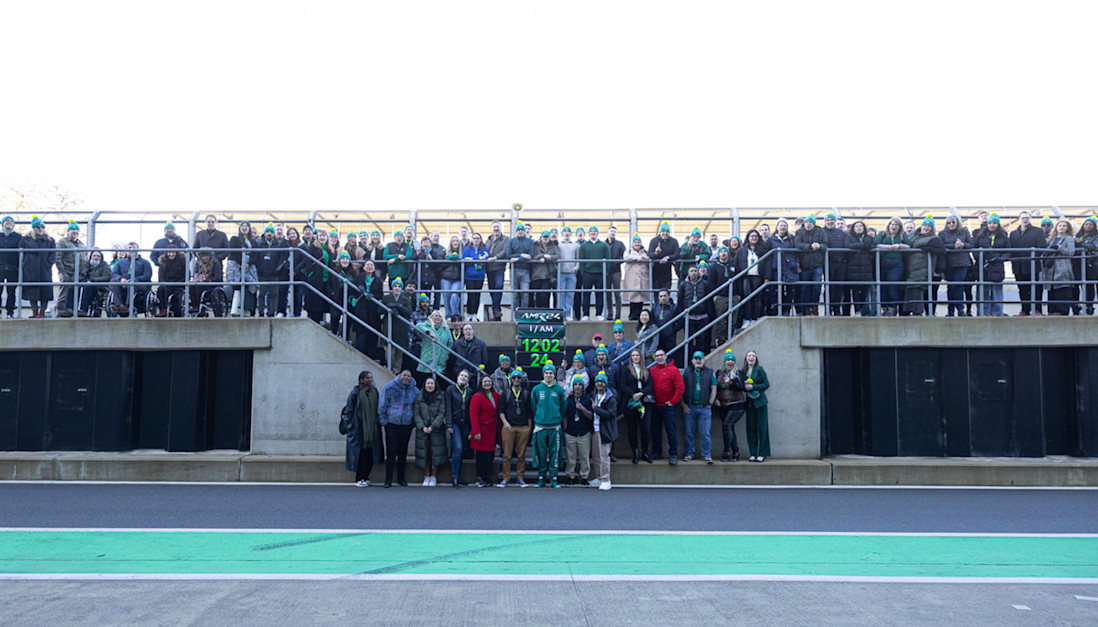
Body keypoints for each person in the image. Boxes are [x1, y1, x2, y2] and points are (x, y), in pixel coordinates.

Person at [378, 370, 419, 488]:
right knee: (391, 452)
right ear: (400, 376)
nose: (406, 378)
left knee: (403, 452)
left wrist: (413, 422)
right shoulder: (389, 387)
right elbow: (383, 405)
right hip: (392, 424)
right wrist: (384, 421)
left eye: (409, 376)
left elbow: (416, 407)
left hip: (406, 425)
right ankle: (388, 479)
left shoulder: (415, 390)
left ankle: (401, 478)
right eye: (404, 375)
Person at [530, 364, 567, 488]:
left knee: (554, 453)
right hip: (540, 425)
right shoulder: (536, 389)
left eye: (551, 373)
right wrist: (541, 417)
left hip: (555, 426)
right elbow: (534, 407)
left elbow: (563, 407)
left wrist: (556, 417)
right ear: (543, 374)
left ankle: (554, 478)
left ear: (554, 375)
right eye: (546, 373)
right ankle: (541, 478)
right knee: (541, 453)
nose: (548, 375)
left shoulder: (560, 389)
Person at [342, 370, 380, 487]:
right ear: (361, 380)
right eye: (367, 378)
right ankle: (359, 478)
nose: (370, 379)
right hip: (359, 429)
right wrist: (349, 426)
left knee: (369, 454)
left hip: (372, 429)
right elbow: (348, 411)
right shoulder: (355, 393)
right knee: (360, 454)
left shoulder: (374, 391)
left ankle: (366, 476)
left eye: (371, 377)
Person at [902, 217, 945, 316]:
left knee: (917, 288)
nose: (926, 228)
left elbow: (942, 250)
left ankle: (917, 312)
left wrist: (928, 249)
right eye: (925, 225)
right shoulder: (913, 234)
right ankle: (908, 312)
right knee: (909, 289)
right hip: (910, 266)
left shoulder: (932, 238)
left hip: (922, 267)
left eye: (929, 226)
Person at [680, 351, 716, 463]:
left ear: (703, 360)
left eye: (700, 358)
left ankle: (706, 455)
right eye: (696, 358)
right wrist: (683, 405)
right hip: (690, 408)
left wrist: (710, 403)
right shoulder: (687, 372)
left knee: (705, 433)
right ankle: (689, 454)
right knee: (689, 433)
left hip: (704, 407)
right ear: (693, 360)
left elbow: (714, 388)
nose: (698, 361)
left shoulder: (710, 372)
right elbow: (680, 389)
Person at [651, 348, 685, 465]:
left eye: (661, 355)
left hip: (668, 406)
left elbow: (680, 388)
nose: (659, 357)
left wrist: (673, 401)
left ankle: (673, 453)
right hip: (655, 406)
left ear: (666, 356)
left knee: (671, 430)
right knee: (655, 431)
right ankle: (657, 452)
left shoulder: (673, 370)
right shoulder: (652, 370)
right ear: (655, 358)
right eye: (657, 356)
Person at [412, 376, 448, 486]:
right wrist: (422, 426)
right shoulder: (419, 396)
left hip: (436, 430)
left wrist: (433, 426)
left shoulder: (440, 396)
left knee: (435, 454)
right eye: (428, 383)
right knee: (425, 454)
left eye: (432, 384)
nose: (430, 386)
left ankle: (433, 475)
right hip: (422, 430)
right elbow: (416, 413)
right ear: (425, 385)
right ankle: (426, 475)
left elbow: (442, 413)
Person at [1010, 211, 1047, 316]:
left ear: (1030, 219)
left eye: (1027, 217)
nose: (1025, 220)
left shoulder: (1038, 231)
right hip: (1018, 266)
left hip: (1033, 265)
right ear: (1019, 219)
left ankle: (1037, 309)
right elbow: (1011, 248)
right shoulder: (1013, 233)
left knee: (1036, 288)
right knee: (1022, 289)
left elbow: (1041, 246)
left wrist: (1033, 257)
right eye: (1023, 218)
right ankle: (1025, 309)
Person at [619, 348, 653, 463]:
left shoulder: (646, 370)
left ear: (640, 357)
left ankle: (645, 452)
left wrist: (641, 394)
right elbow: (622, 385)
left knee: (646, 430)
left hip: (644, 404)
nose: (635, 357)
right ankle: (635, 453)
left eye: (637, 355)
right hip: (630, 404)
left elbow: (650, 385)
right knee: (632, 430)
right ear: (630, 358)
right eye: (633, 356)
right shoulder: (626, 370)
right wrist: (633, 394)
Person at [499, 369, 532, 487]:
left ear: (521, 380)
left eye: (518, 378)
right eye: (514, 378)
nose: (516, 380)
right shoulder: (506, 393)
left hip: (523, 427)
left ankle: (520, 477)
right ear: (511, 380)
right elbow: (501, 410)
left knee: (521, 455)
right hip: (509, 427)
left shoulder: (526, 393)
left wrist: (529, 428)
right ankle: (506, 478)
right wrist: (505, 423)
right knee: (507, 455)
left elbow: (529, 412)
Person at [20, 216, 56, 318]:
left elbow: (53, 255)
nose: (40, 229)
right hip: (30, 269)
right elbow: (20, 254)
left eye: (42, 227)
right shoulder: (25, 240)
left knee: (45, 291)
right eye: (38, 227)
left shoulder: (49, 240)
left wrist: (48, 264)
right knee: (32, 291)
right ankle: (34, 312)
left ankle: (42, 312)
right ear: (33, 228)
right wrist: (25, 265)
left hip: (44, 269)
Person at [469, 373, 501, 487]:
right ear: (481, 384)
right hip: (481, 430)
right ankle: (480, 477)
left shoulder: (496, 395)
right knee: (481, 455)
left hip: (492, 429)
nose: (487, 383)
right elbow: (473, 415)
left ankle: (488, 477)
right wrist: (476, 431)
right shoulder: (477, 396)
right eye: (485, 382)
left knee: (490, 454)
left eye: (489, 381)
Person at [938, 216, 973, 317]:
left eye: (953, 222)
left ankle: (960, 309)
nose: (951, 224)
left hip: (962, 263)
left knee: (959, 285)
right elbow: (940, 246)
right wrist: (953, 246)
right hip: (949, 264)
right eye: (948, 223)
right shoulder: (942, 233)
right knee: (951, 287)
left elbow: (971, 244)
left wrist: (962, 244)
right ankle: (951, 310)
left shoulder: (964, 231)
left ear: (957, 222)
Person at [975, 214, 1010, 316]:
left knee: (997, 289)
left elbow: (1008, 250)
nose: (992, 225)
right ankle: (984, 312)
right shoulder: (980, 235)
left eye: (994, 223)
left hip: (997, 266)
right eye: (990, 223)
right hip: (983, 265)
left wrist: (1001, 259)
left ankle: (997, 312)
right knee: (983, 289)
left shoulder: (1003, 235)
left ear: (998, 224)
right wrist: (980, 258)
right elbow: (975, 248)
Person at [734, 229, 769, 328]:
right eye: (752, 236)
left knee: (757, 298)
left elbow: (767, 264)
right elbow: (737, 264)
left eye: (756, 236)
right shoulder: (742, 250)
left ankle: (754, 318)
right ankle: (747, 319)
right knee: (747, 297)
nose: (754, 238)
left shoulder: (763, 249)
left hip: (758, 276)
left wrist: (767, 277)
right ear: (748, 238)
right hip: (746, 277)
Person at [715, 350, 746, 462]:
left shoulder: (738, 373)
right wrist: (715, 399)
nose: (730, 362)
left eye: (732, 360)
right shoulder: (719, 373)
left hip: (737, 405)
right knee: (729, 428)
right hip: (723, 406)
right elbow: (714, 388)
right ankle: (736, 452)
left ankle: (727, 452)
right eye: (728, 360)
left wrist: (731, 382)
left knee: (727, 425)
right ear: (724, 362)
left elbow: (742, 387)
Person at [563, 375, 594, 486]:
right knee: (571, 456)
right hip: (571, 432)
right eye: (575, 384)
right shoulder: (569, 400)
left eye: (580, 385)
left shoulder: (587, 400)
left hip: (584, 432)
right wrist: (566, 428)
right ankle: (570, 476)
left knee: (584, 456)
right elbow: (565, 415)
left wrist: (582, 408)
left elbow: (591, 416)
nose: (577, 387)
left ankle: (584, 476)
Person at [875, 217, 909, 316]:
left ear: (899, 227)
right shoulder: (882, 234)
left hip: (896, 264)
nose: (894, 227)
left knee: (893, 286)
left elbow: (908, 246)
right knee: (882, 287)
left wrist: (900, 245)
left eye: (896, 225)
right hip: (882, 263)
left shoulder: (902, 235)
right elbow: (876, 244)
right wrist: (890, 247)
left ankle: (892, 308)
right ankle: (884, 308)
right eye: (892, 224)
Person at [590, 371, 618, 491]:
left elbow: (610, 414)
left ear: (605, 383)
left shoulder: (610, 398)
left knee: (604, 456)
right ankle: (599, 477)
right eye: (598, 382)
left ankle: (606, 479)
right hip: (595, 429)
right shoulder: (593, 395)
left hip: (605, 430)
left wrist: (597, 409)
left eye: (602, 382)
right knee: (596, 456)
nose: (599, 384)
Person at [794, 215, 827, 316]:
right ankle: (807, 308)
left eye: (810, 222)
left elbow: (825, 244)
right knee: (805, 287)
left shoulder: (820, 231)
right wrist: (810, 246)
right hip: (804, 265)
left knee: (817, 286)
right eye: (807, 222)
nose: (808, 224)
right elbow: (797, 244)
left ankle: (814, 306)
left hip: (817, 264)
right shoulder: (799, 232)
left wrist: (820, 246)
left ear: (814, 223)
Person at [444, 369, 473, 487]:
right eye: (461, 375)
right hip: (455, 423)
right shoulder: (450, 389)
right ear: (457, 377)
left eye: (466, 376)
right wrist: (449, 425)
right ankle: (454, 477)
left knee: (463, 449)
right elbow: (448, 407)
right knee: (458, 448)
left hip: (466, 423)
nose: (463, 377)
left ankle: (459, 476)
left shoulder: (470, 391)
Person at [1043, 219, 1076, 315]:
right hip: (1050, 269)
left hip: (1063, 268)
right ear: (1056, 227)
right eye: (1060, 225)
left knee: (1062, 290)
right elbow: (1045, 251)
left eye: (1064, 226)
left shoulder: (1068, 238)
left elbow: (1071, 252)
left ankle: (1061, 311)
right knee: (1052, 291)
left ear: (1067, 228)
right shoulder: (1051, 238)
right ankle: (1052, 311)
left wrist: (1059, 248)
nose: (1061, 227)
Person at [109, 242, 153, 316]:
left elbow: (147, 275)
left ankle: (128, 305)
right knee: (113, 281)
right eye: (129, 248)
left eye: (134, 248)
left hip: (139, 284)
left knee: (132, 282)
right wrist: (121, 279)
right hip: (123, 282)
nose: (131, 250)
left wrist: (132, 280)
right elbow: (114, 273)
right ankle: (118, 305)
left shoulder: (145, 262)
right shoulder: (120, 262)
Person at [677, 264, 712, 356]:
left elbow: (709, 299)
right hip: (689, 317)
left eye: (695, 271)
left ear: (698, 272)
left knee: (701, 340)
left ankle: (701, 359)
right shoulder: (683, 284)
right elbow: (680, 300)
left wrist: (709, 314)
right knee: (688, 341)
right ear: (688, 273)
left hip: (702, 316)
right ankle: (689, 361)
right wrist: (681, 314)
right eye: (691, 271)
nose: (693, 273)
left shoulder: (705, 283)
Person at [742, 350, 770, 462]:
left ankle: (763, 453)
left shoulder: (760, 369)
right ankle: (753, 453)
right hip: (749, 403)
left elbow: (766, 384)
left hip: (760, 403)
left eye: (753, 356)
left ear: (756, 358)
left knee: (762, 428)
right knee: (751, 428)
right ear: (746, 358)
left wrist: (753, 387)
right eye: (749, 356)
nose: (751, 358)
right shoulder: (743, 371)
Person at [54, 220, 87, 317]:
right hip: (67, 272)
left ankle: (71, 311)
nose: (75, 232)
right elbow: (58, 258)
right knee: (64, 293)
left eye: (77, 230)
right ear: (68, 231)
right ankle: (60, 311)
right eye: (72, 230)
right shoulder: (62, 242)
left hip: (79, 273)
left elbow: (85, 258)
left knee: (75, 293)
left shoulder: (81, 244)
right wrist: (63, 273)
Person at [767, 218, 799, 316]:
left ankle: (786, 310)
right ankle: (778, 310)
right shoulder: (771, 240)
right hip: (777, 268)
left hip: (790, 268)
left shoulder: (791, 239)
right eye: (781, 225)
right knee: (778, 290)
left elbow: (797, 252)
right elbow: (768, 256)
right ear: (777, 227)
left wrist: (796, 263)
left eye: (784, 225)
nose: (782, 227)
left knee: (790, 291)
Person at [578, 225, 610, 320]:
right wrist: (582, 272)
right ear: (589, 233)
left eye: (594, 231)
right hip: (587, 273)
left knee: (599, 294)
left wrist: (606, 272)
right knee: (586, 294)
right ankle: (586, 315)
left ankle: (598, 314)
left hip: (600, 273)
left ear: (597, 233)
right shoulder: (584, 246)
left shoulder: (604, 245)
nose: (593, 233)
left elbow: (607, 259)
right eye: (591, 231)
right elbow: (581, 260)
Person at [843, 221, 876, 316]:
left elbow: (871, 247)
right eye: (856, 226)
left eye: (860, 226)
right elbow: (847, 246)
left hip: (866, 268)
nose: (858, 228)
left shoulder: (868, 237)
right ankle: (857, 310)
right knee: (855, 290)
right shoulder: (849, 237)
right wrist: (863, 246)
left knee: (865, 291)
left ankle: (860, 308)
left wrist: (862, 248)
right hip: (853, 268)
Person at [227, 222, 258, 317]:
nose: (244, 228)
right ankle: (235, 309)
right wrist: (241, 264)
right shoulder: (234, 239)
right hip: (236, 267)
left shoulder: (253, 241)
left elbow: (256, 254)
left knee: (251, 287)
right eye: (242, 226)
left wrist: (248, 264)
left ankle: (248, 310)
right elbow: (232, 252)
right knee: (237, 287)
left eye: (246, 226)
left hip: (249, 267)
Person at [416, 310, 453, 388]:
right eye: (436, 316)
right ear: (431, 317)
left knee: (438, 385)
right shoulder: (427, 325)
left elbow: (450, 342)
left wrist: (445, 353)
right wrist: (429, 333)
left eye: (440, 316)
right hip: (427, 359)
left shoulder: (446, 329)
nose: (438, 318)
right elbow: (418, 326)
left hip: (440, 359)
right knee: (425, 384)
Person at [255, 223, 286, 317]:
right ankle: (261, 312)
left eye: (271, 232)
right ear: (264, 233)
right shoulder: (260, 244)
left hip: (274, 274)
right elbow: (256, 257)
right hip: (262, 273)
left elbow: (281, 258)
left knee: (274, 294)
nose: (269, 233)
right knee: (261, 294)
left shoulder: (278, 244)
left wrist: (277, 269)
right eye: (267, 232)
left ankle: (272, 312)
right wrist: (259, 268)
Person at [382, 278, 413, 371]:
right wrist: (388, 308)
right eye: (395, 286)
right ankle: (389, 369)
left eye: (399, 286)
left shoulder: (405, 299)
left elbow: (409, 312)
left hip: (401, 330)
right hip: (389, 328)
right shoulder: (386, 298)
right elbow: (379, 310)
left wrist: (398, 307)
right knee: (389, 352)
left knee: (399, 354)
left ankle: (396, 371)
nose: (397, 288)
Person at [822, 213, 850, 315]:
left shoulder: (841, 232)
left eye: (831, 220)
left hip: (841, 263)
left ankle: (837, 309)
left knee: (839, 287)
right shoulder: (822, 231)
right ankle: (828, 309)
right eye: (828, 220)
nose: (830, 222)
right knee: (828, 286)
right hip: (828, 262)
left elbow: (846, 245)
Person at [506, 223, 535, 311]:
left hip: (525, 270)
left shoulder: (529, 241)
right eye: (518, 230)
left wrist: (517, 258)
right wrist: (522, 256)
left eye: (522, 230)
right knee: (515, 293)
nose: (520, 231)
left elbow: (531, 255)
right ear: (516, 231)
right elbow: (508, 255)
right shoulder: (511, 241)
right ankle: (516, 313)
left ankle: (523, 312)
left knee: (525, 292)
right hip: (514, 270)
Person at [485, 221, 509, 321]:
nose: (496, 229)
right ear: (491, 229)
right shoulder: (488, 240)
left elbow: (505, 251)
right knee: (492, 290)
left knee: (499, 286)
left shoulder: (506, 239)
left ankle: (495, 309)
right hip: (489, 268)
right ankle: (496, 312)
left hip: (499, 267)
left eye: (497, 227)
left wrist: (495, 257)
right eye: (494, 227)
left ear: (500, 228)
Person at [622, 234, 651, 320]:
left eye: (638, 242)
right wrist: (638, 258)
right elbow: (626, 257)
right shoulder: (628, 251)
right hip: (632, 279)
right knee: (633, 298)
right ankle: (632, 316)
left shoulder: (645, 252)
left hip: (643, 278)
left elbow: (650, 262)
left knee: (641, 298)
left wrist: (645, 259)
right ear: (632, 243)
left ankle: (639, 316)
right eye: (635, 242)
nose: (637, 244)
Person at [648, 222, 680, 296]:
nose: (665, 233)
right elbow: (650, 254)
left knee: (667, 292)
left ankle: (666, 307)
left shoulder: (674, 241)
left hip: (667, 271)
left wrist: (668, 258)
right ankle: (656, 307)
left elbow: (677, 254)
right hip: (655, 271)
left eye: (667, 231)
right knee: (656, 293)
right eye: (663, 231)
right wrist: (656, 253)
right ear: (660, 232)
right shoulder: (654, 241)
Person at [77, 249, 112, 316]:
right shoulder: (86, 265)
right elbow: (80, 276)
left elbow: (107, 277)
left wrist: (93, 280)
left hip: (99, 286)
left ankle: (84, 310)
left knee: (88, 287)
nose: (96, 257)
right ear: (91, 257)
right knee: (71, 288)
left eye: (98, 256)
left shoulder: (105, 266)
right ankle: (69, 309)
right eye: (94, 256)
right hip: (85, 283)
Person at [529, 230, 559, 309]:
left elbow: (557, 256)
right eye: (544, 237)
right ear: (541, 237)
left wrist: (546, 259)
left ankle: (545, 312)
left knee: (545, 294)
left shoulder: (554, 246)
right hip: (537, 274)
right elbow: (533, 257)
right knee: (537, 295)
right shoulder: (536, 247)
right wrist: (544, 255)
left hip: (548, 274)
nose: (545, 238)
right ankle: (537, 313)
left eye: (547, 237)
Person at [189, 248, 224, 314]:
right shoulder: (198, 264)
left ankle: (200, 306)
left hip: (212, 285)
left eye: (207, 256)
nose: (205, 258)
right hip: (200, 283)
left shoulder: (216, 263)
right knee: (191, 286)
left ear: (210, 256)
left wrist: (208, 280)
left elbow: (217, 277)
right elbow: (195, 274)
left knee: (199, 287)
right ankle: (195, 305)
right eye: (203, 256)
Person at [0, 215, 22, 318]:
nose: (9, 223)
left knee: (11, 291)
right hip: (0, 267)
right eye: (7, 221)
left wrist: (19, 266)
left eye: (11, 221)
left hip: (13, 268)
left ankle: (10, 312)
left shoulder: (18, 237)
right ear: (2, 224)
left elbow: (21, 253)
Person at [439, 236, 464, 319]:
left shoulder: (462, 253)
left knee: (454, 295)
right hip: (446, 278)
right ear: (451, 243)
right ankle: (448, 315)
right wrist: (449, 260)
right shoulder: (445, 252)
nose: (455, 242)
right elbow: (441, 265)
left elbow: (463, 267)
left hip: (457, 279)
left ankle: (455, 315)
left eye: (457, 241)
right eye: (453, 241)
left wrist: (457, 260)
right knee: (446, 295)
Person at [605, 225, 626, 321]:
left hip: (616, 271)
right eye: (611, 231)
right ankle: (609, 314)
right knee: (607, 294)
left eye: (614, 231)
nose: (613, 233)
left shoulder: (620, 244)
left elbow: (624, 256)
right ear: (608, 232)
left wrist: (617, 262)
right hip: (606, 272)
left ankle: (618, 315)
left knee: (617, 293)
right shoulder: (603, 244)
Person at [1078, 217, 1098, 315]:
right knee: (1083, 286)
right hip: (1080, 264)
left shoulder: (1096, 236)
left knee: (1090, 285)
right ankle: (1081, 306)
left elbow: (1095, 246)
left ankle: (1090, 307)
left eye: (1091, 224)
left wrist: (1081, 244)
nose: (1088, 226)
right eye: (1086, 224)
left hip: (1092, 264)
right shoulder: (1079, 235)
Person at [652, 289, 680, 358]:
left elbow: (681, 322)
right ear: (658, 298)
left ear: (669, 296)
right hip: (658, 338)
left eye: (665, 296)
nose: (663, 298)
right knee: (659, 357)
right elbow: (651, 321)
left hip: (670, 338)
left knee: (671, 358)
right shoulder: (655, 308)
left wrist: (672, 331)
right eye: (661, 296)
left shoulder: (674, 308)